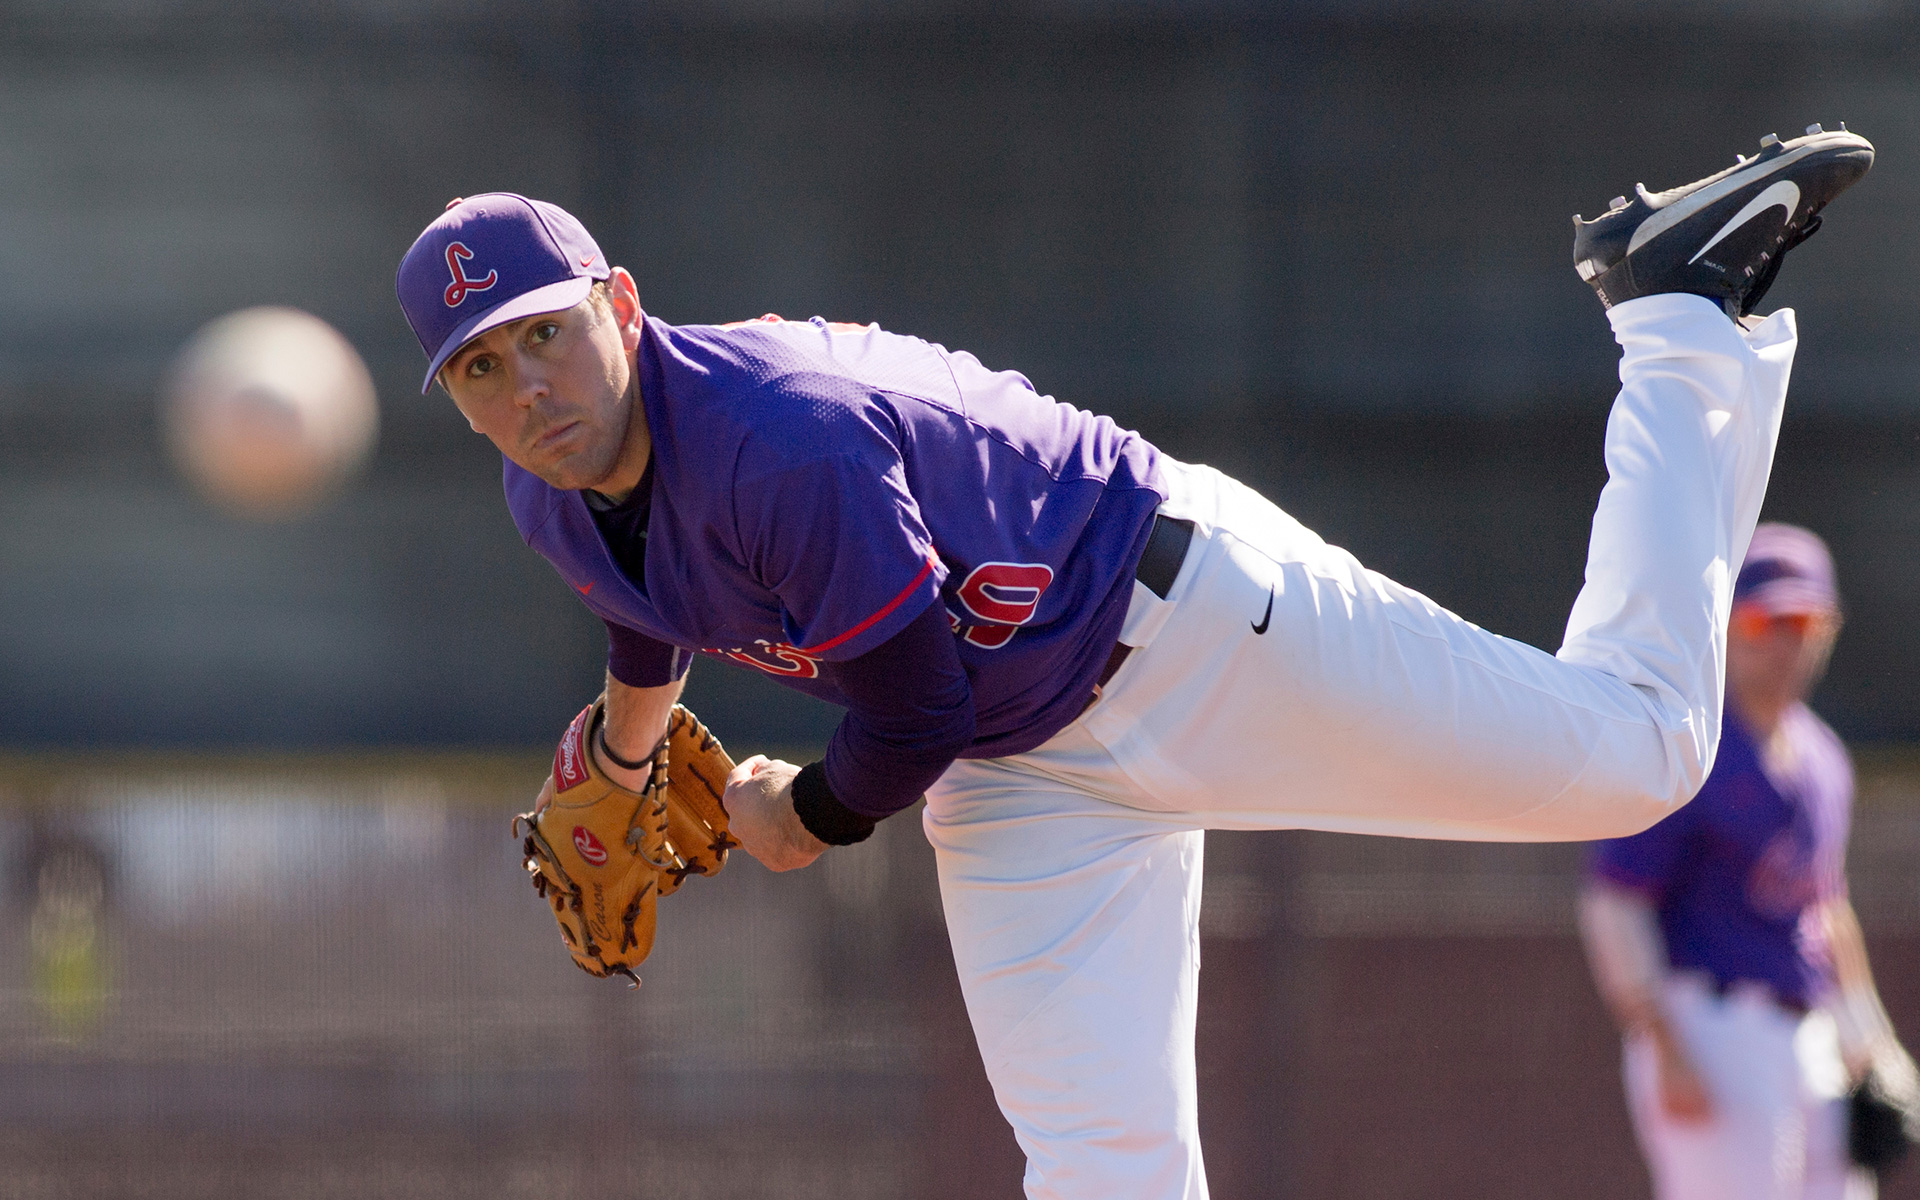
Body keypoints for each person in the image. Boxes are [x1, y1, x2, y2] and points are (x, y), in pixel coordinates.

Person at [396, 126, 1871, 1199]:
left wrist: (807, 821)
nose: (526, 385)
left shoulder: (779, 438)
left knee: (1644, 756)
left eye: (545, 334)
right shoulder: (550, 480)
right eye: (480, 366)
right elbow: (641, 597)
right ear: (454, 398)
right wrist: (626, 750)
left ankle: (1683, 320)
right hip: (1027, 771)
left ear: (624, 307)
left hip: (1185, 625)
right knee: (1102, 1166)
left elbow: (911, 710)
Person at [1580, 524, 1917, 1200]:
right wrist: (1658, 1040)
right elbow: (1615, 898)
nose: (1788, 641)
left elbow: (1825, 910)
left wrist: (1873, 1043)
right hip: (1710, 1023)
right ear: (1728, 626)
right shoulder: (1691, 749)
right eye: (1768, 619)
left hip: (1809, 1031)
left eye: (1806, 620)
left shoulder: (1824, 760)